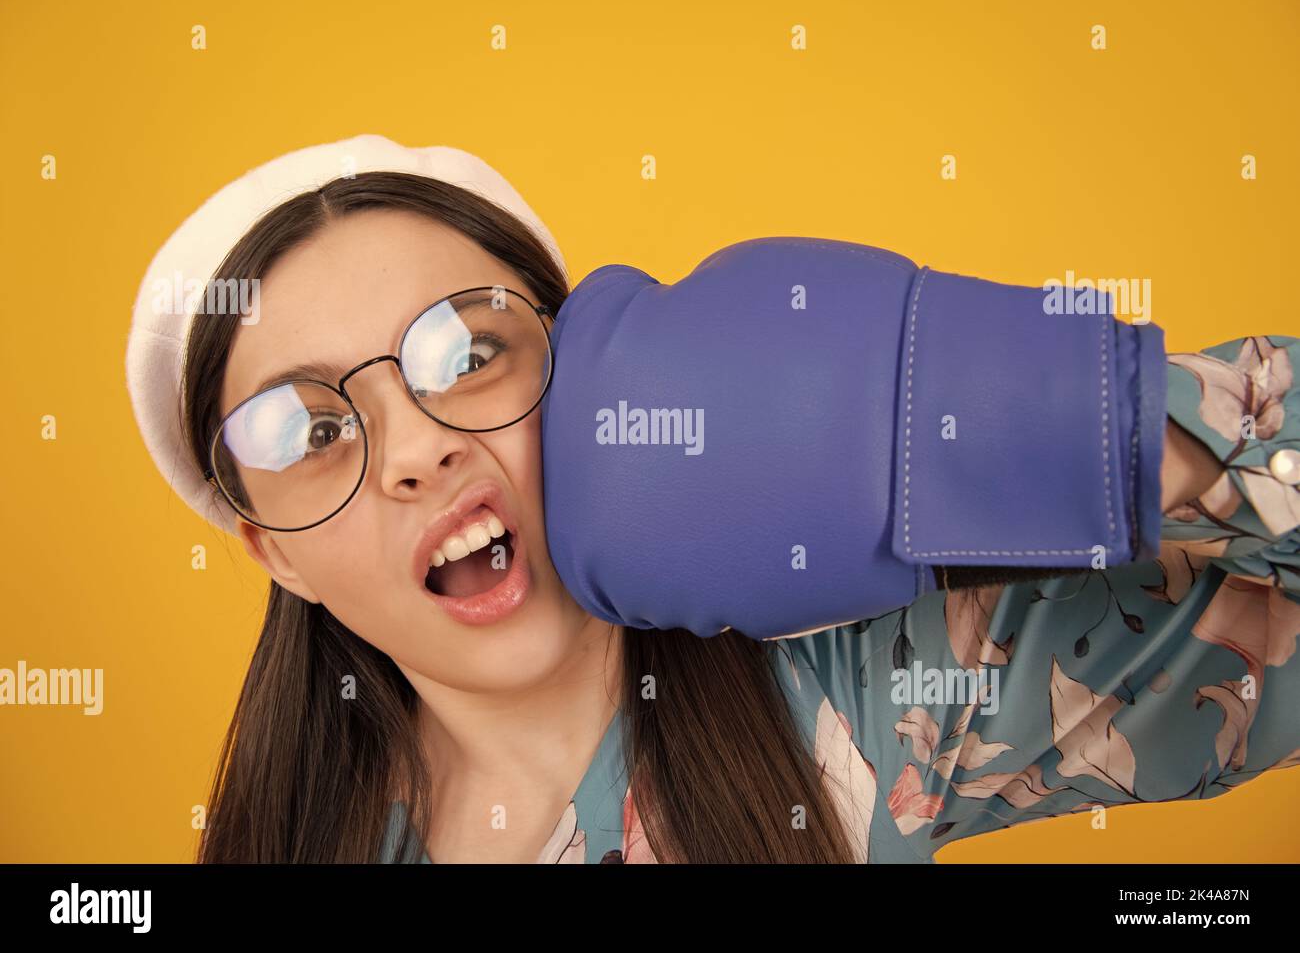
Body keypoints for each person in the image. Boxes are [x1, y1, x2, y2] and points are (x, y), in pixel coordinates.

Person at [127, 138, 1300, 863]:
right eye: (312, 429)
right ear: (268, 550)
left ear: (581, 363)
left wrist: (1092, 430)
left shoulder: (870, 697)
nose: (418, 451)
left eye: (468, 354)